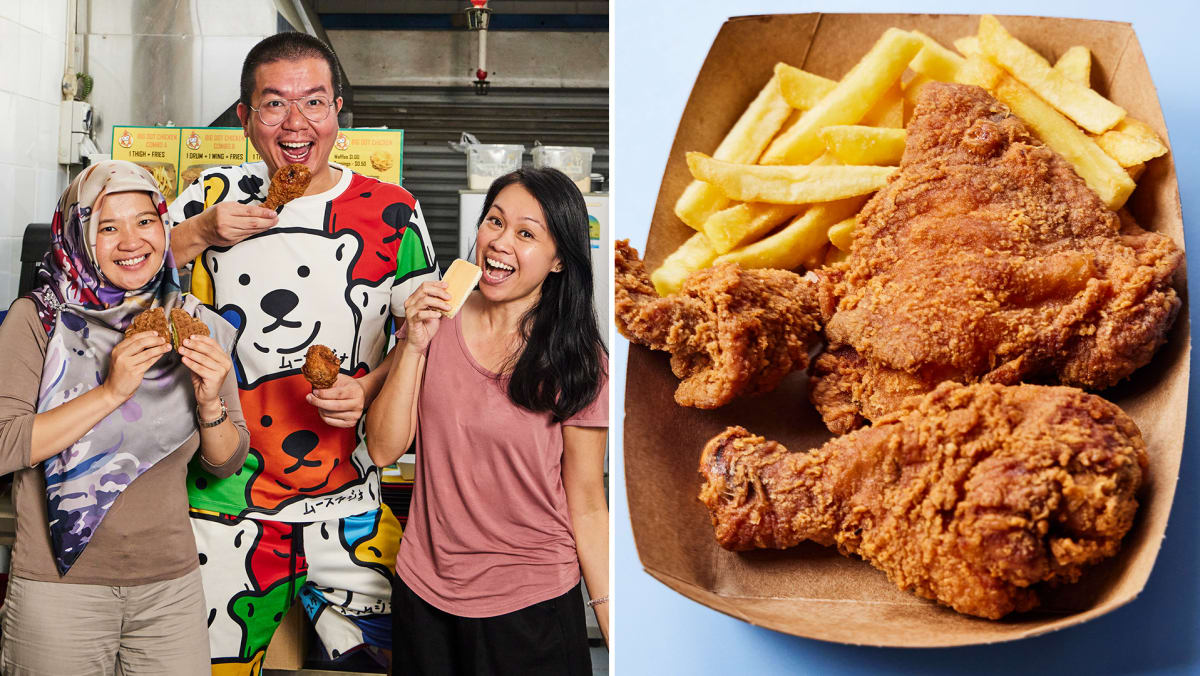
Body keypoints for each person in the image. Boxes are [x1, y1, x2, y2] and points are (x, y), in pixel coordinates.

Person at [166, 32, 439, 672]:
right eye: (274, 105)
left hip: (351, 504)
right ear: (244, 116)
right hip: (224, 508)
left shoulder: (392, 212)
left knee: (409, 653)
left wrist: (367, 389)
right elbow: (120, 278)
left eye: (314, 102)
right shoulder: (209, 198)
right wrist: (200, 232)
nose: (296, 124)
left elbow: (420, 338)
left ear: (339, 109)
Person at [0, 161, 249, 675]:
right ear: (78, 235)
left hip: (170, 588)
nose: (131, 241)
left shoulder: (198, 324)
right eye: (107, 227)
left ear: (164, 224)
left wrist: (209, 404)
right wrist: (112, 391)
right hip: (58, 589)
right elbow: (5, 445)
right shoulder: (37, 320)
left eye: (145, 220)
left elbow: (226, 462)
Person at [367, 168, 609, 674]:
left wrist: (613, 622)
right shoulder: (439, 316)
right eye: (494, 222)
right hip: (425, 594)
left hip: (531, 604)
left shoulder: (577, 357)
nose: (500, 242)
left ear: (561, 258)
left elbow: (586, 502)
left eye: (526, 233)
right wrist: (412, 343)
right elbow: (385, 449)